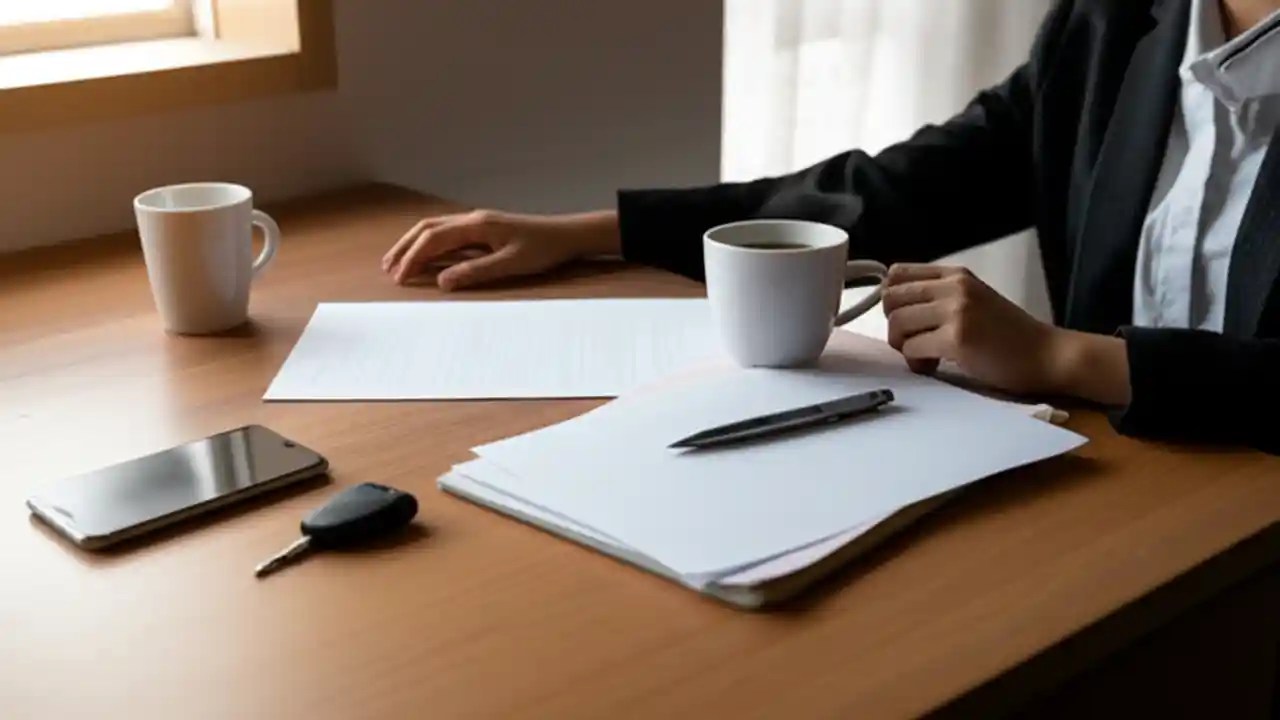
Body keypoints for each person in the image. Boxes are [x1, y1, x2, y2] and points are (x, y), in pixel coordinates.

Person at [382, 0, 1280, 454]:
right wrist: (590, 231)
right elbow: (886, 192)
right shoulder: (1112, 22)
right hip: (1125, 493)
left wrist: (1065, 359)